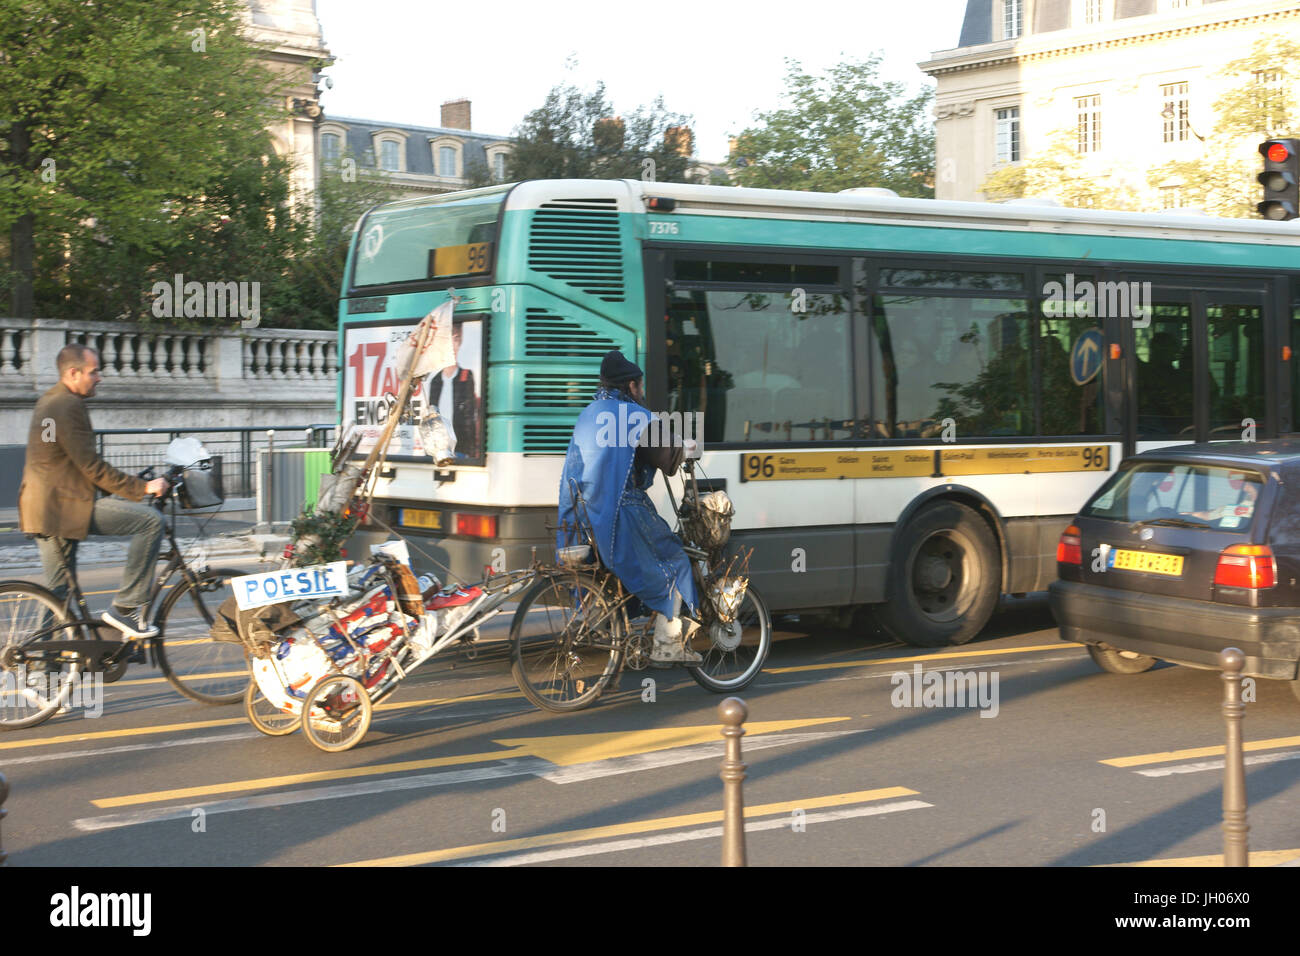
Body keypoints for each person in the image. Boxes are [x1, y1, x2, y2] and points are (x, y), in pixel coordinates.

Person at [18, 344, 170, 655]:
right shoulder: (67, 405)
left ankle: (43, 667)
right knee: (151, 522)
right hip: (61, 507)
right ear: (73, 373)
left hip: (43, 506)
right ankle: (125, 609)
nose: (99, 378)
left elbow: (61, 460)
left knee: (58, 594)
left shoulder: (50, 401)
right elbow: (90, 466)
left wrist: (129, 483)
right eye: (93, 372)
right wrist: (142, 488)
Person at [558, 350, 701, 665]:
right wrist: (688, 447)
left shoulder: (590, 412)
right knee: (675, 560)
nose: (643, 392)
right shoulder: (635, 415)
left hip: (581, 515)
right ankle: (668, 644)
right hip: (622, 511)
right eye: (641, 386)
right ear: (633, 386)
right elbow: (667, 456)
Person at [426, 322, 480, 459]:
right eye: (448, 341)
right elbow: (431, 419)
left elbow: (470, 418)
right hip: (439, 452)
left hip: (461, 450)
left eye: (456, 339)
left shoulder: (466, 377)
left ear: (460, 343)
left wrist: (471, 452)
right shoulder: (435, 381)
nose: (452, 346)